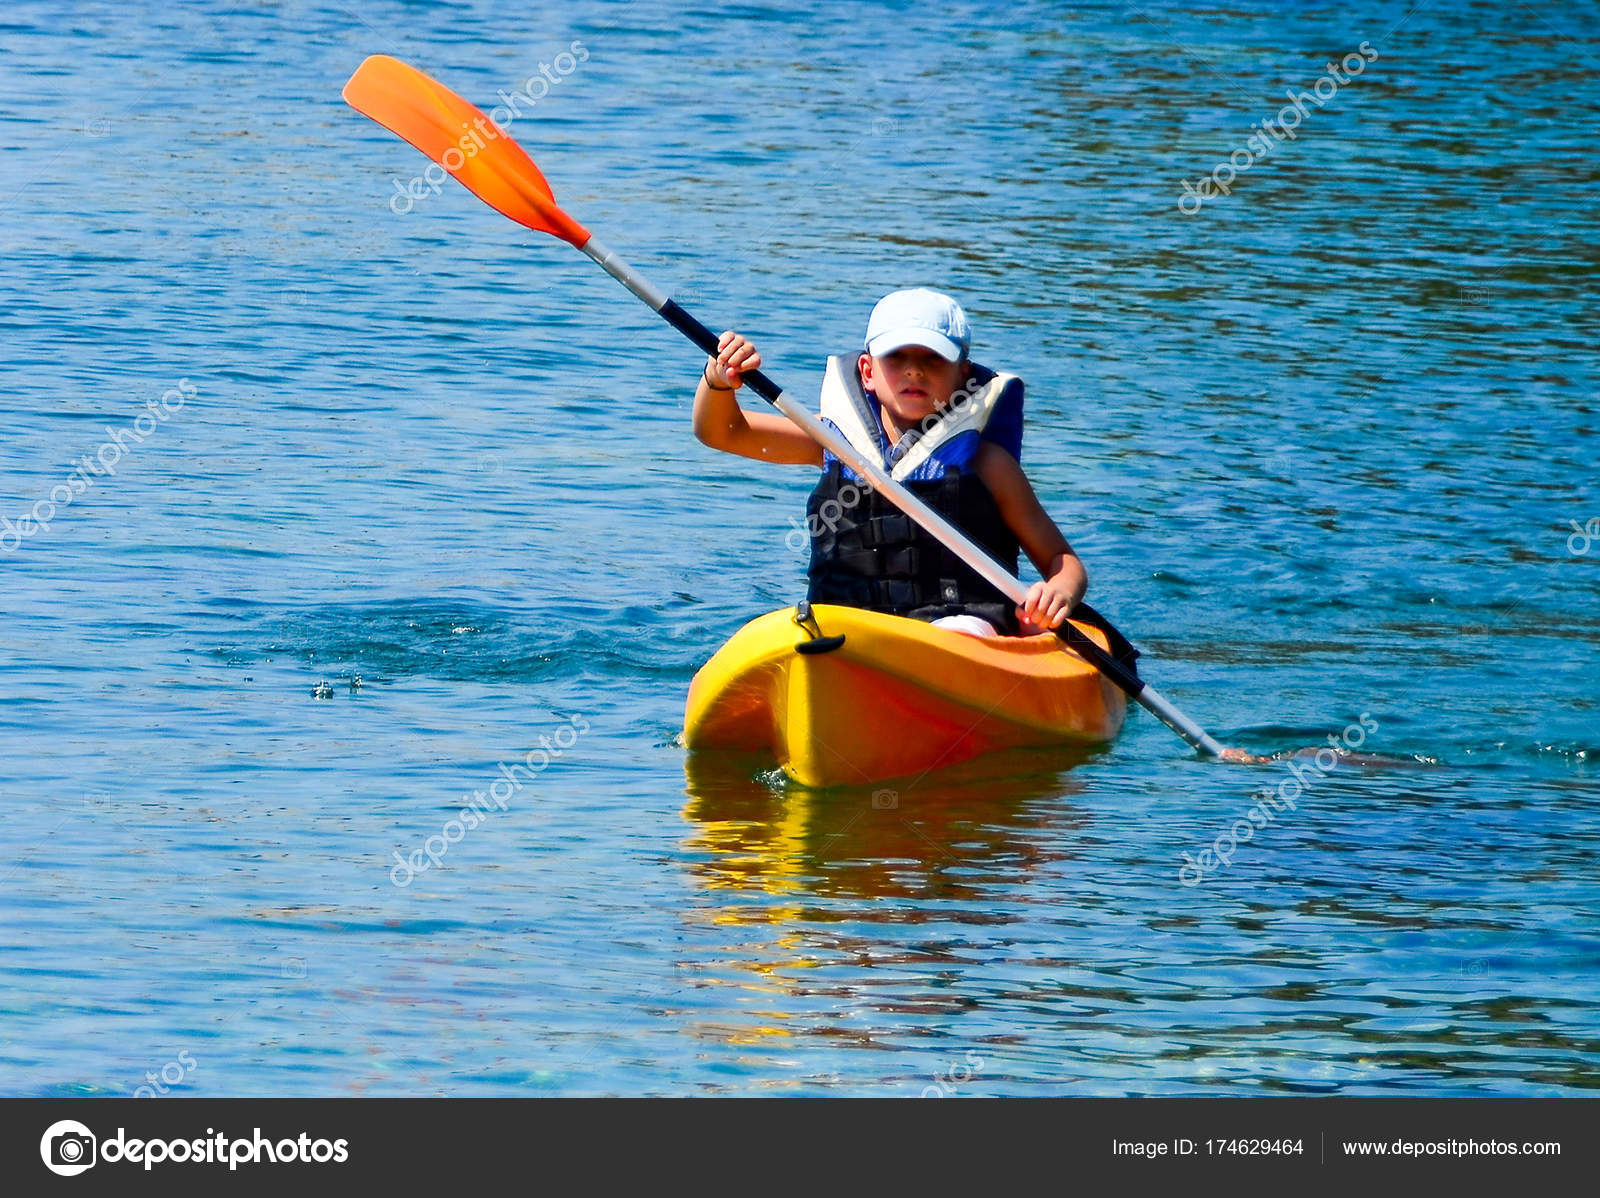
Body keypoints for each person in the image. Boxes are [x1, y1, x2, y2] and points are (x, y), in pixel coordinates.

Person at [691, 287, 1098, 640]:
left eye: (933, 359)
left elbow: (1063, 563)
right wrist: (718, 380)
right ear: (867, 372)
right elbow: (723, 431)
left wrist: (1058, 591)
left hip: (963, 632)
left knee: (962, 631)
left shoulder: (988, 463)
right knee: (795, 628)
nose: (914, 370)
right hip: (849, 628)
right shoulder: (830, 440)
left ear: (963, 375)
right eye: (897, 356)